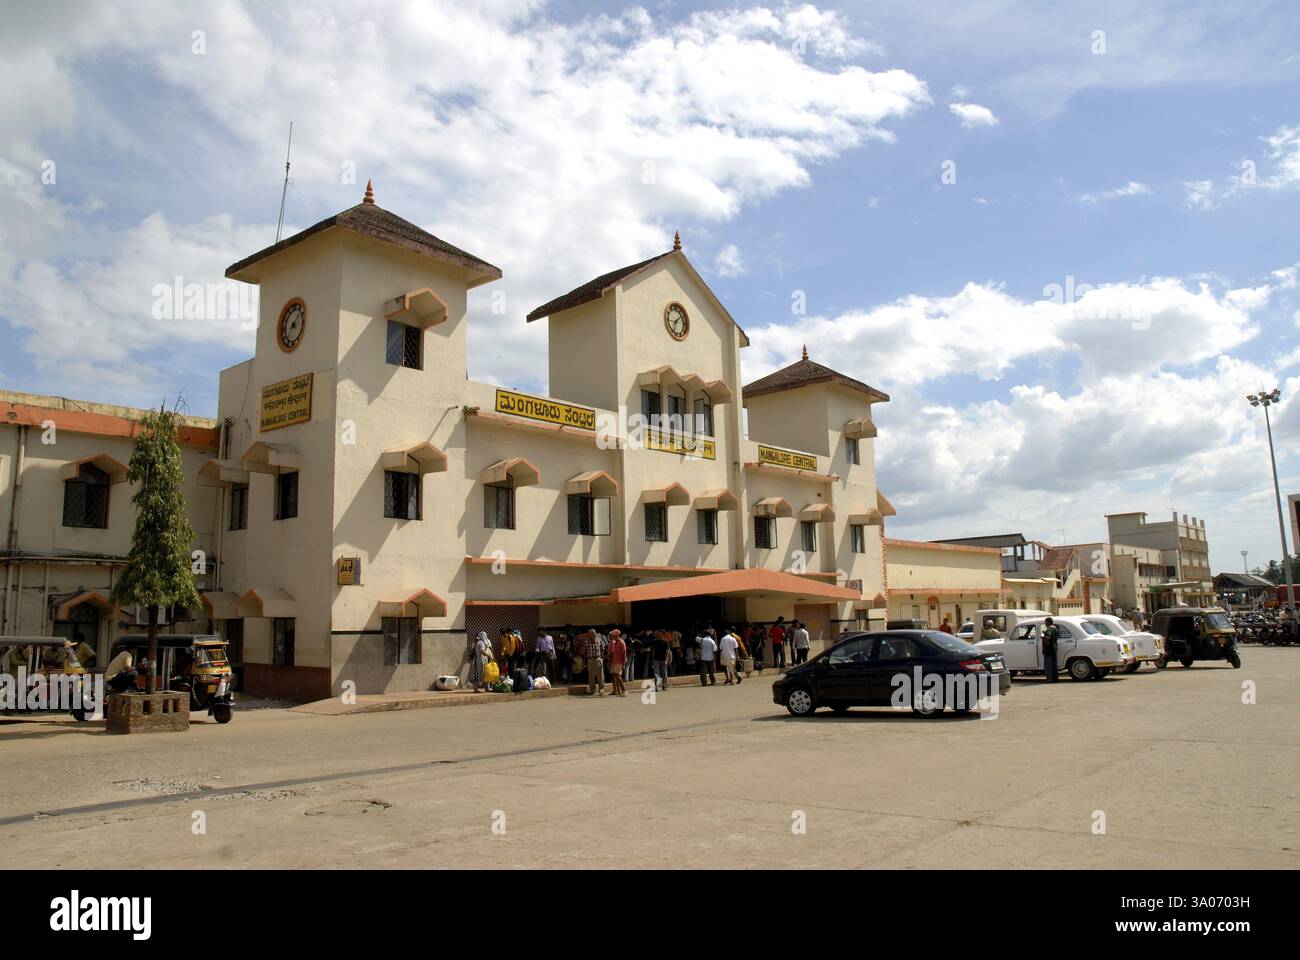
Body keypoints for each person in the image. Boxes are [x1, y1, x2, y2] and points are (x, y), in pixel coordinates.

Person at [578, 629, 606, 696]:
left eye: (593, 634)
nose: (592, 636)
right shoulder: (586, 642)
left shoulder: (599, 640)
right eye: (591, 635)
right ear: (589, 635)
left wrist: (601, 658)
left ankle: (601, 689)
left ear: (595, 634)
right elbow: (584, 651)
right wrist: (585, 660)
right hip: (590, 660)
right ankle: (592, 689)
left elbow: (602, 649)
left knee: (600, 675)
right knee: (591, 676)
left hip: (598, 659)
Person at [607, 629, 628, 697]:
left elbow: (624, 653)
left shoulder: (621, 642)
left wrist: (623, 663)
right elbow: (612, 652)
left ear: (616, 636)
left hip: (619, 661)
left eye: (612, 636)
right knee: (614, 675)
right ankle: (616, 690)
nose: (611, 637)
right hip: (614, 661)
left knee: (617, 675)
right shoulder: (613, 642)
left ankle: (624, 690)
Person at [1041, 617, 1060, 683]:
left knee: (1048, 665)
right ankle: (1055, 679)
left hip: (1048, 649)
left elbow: (1048, 637)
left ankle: (1049, 679)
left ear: (1048, 622)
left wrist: (1044, 634)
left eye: (1045, 622)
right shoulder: (1055, 628)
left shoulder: (1050, 628)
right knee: (1054, 665)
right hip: (1054, 648)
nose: (1045, 623)